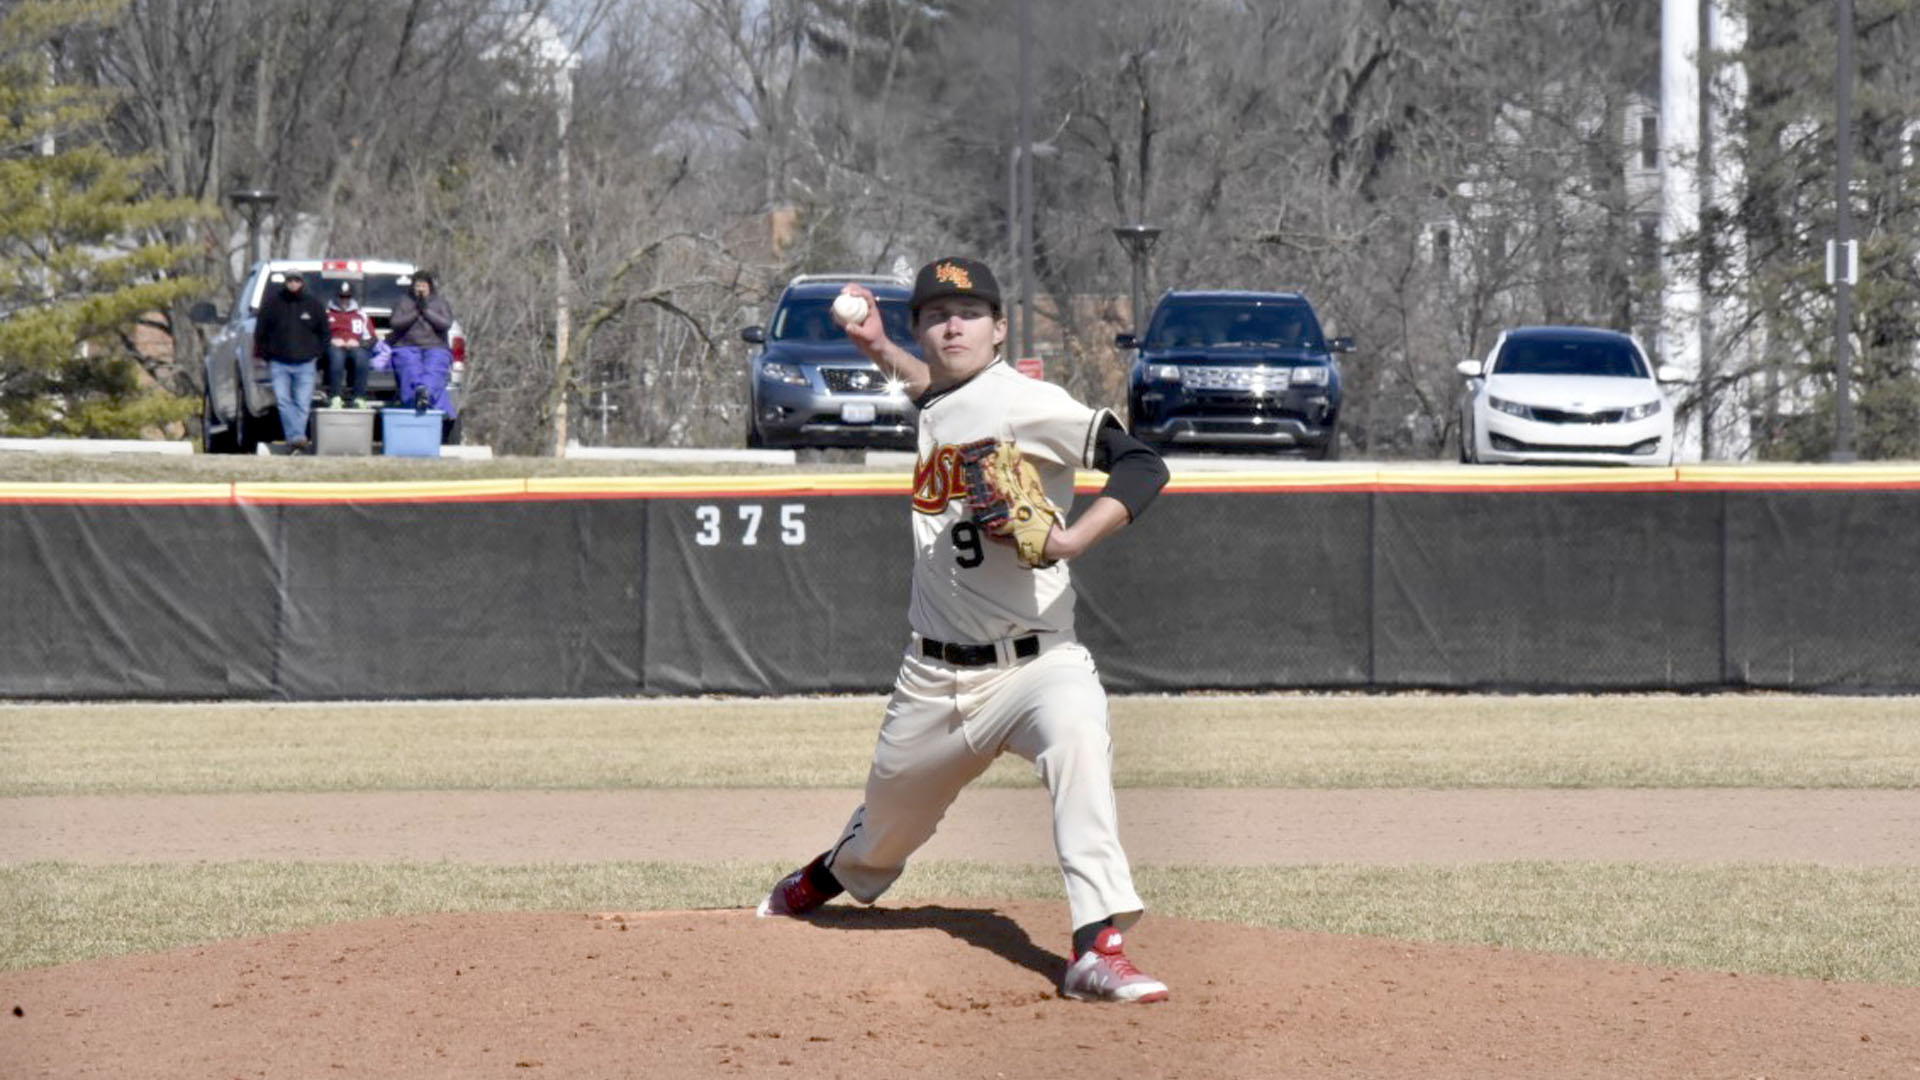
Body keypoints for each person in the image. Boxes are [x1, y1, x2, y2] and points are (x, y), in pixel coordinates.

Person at [755, 257, 1174, 1004]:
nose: (954, 323)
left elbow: (1143, 465)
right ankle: (824, 876)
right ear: (921, 327)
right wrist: (879, 347)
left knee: (1077, 742)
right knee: (882, 837)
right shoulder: (944, 398)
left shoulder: (1029, 401)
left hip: (1037, 663)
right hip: (934, 679)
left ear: (1000, 327)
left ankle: (1095, 947)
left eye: (971, 311)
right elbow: (933, 391)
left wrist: (1071, 540)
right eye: (938, 313)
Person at [252, 270, 329, 452]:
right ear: (285, 282)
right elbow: (260, 332)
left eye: (296, 280)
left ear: (302, 282)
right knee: (283, 401)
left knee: (302, 403)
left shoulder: (313, 305)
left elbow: (325, 333)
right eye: (290, 280)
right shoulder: (272, 304)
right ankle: (296, 437)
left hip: (306, 364)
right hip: (279, 363)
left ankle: (294, 439)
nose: (293, 284)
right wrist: (267, 354)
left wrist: (317, 354)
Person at [388, 271, 456, 416]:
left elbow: (446, 324)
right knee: (410, 368)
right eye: (417, 285)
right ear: (412, 286)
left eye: (424, 285)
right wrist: (416, 311)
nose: (420, 288)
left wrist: (426, 310)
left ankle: (424, 393)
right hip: (406, 346)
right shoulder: (403, 302)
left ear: (430, 286)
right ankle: (415, 400)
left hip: (435, 347)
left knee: (434, 369)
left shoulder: (440, 302)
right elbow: (395, 323)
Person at [325, 281, 375, 410]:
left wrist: (359, 343)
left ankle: (360, 397)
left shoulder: (361, 315)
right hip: (334, 347)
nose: (344, 300)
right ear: (336, 297)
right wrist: (331, 340)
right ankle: (335, 397)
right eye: (341, 297)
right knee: (336, 358)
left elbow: (371, 338)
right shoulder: (327, 314)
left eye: (347, 297)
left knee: (362, 357)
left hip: (355, 346)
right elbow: (318, 335)